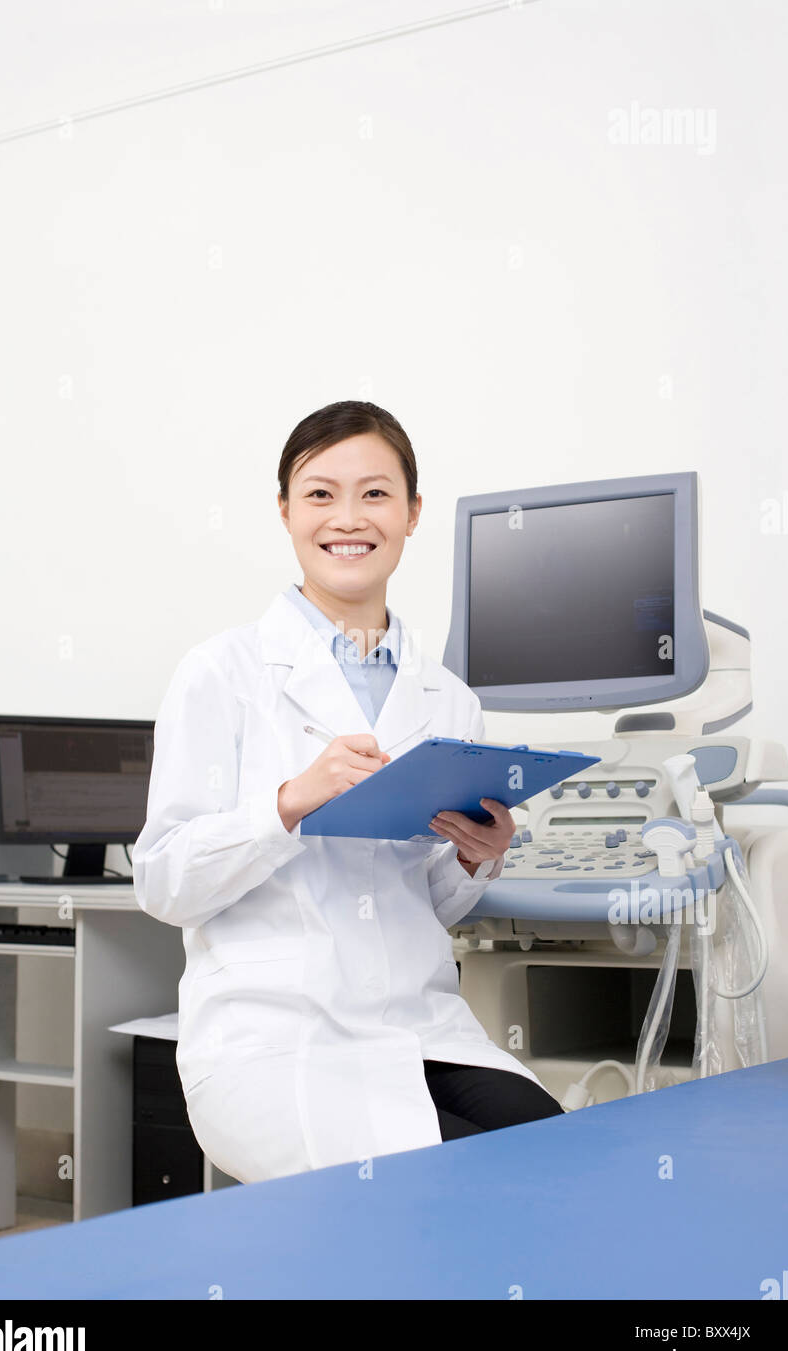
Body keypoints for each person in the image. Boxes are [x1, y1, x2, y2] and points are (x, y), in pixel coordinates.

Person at [132, 400, 563, 1184]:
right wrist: (289, 803)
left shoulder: (449, 701)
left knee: (558, 1154)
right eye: (321, 494)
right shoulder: (222, 674)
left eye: (375, 494)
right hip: (275, 1039)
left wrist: (475, 857)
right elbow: (164, 884)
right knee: (461, 1186)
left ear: (412, 512)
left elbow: (421, 903)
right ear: (285, 511)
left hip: (418, 1026)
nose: (349, 518)